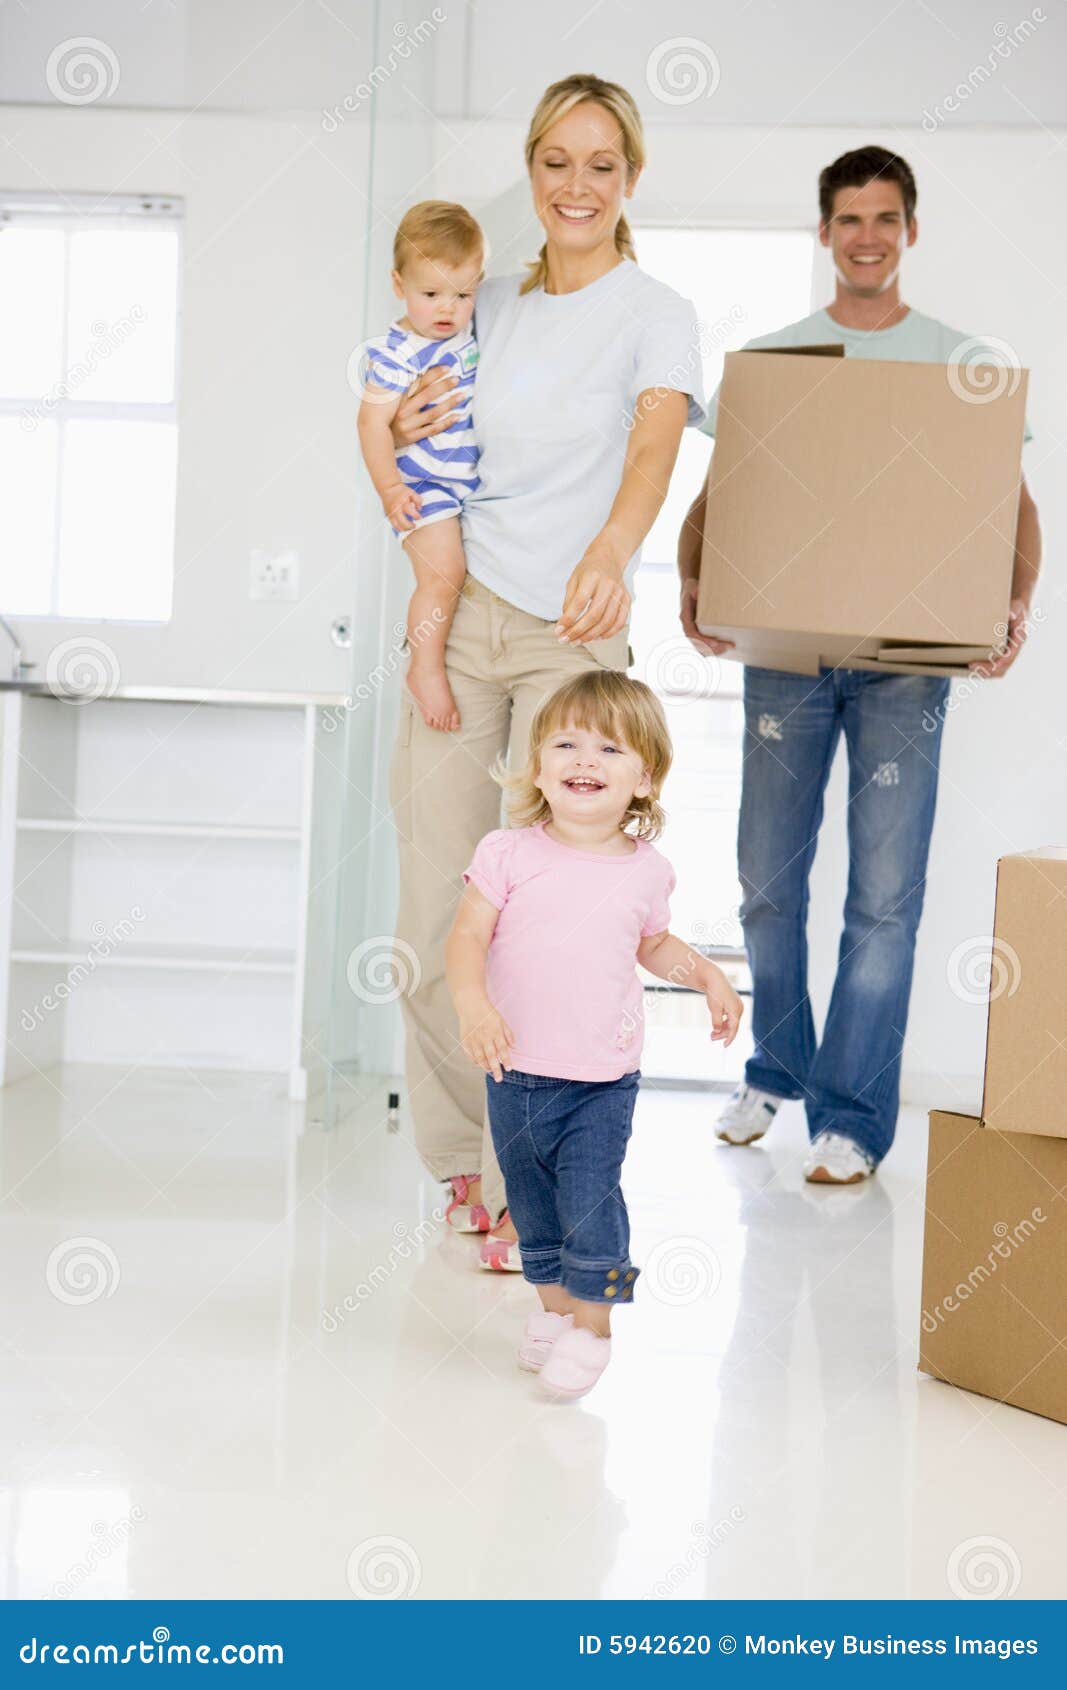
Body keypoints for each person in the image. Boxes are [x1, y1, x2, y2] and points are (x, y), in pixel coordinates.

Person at [388, 74, 707, 1266]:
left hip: (572, 626)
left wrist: (612, 552)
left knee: (550, 922)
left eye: (600, 164)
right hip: (464, 614)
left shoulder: (654, 311)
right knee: (435, 910)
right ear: (530, 171)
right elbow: (410, 418)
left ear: (630, 177)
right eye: (556, 162)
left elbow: (653, 443)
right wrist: (402, 423)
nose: (577, 185)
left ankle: (530, 1174)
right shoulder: (490, 305)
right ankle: (462, 1164)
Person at [678, 146, 1042, 1186]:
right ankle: (775, 1070)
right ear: (824, 232)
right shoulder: (774, 359)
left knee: (882, 901)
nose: (866, 237)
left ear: (909, 231)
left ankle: (850, 1119)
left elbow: (1007, 503)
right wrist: (692, 582)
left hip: (902, 668)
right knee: (764, 885)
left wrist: (1011, 604)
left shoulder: (957, 361)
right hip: (785, 656)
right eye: (849, 219)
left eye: (885, 219)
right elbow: (722, 496)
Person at [445, 671, 743, 1397]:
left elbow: (653, 945)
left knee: (590, 1201)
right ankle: (555, 1314)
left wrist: (706, 974)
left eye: (609, 749)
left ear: (645, 780)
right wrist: (473, 1005)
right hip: (514, 1073)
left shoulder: (646, 871)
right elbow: (466, 938)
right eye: (567, 744)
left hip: (600, 1083)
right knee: (533, 1210)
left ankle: (594, 1329)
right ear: (538, 765)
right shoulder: (506, 853)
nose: (585, 759)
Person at [357, 201, 484, 732]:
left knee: (458, 576)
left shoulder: (465, 332)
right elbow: (371, 424)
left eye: (462, 294)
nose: (447, 308)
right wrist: (391, 490)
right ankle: (424, 668)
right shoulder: (396, 354)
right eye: (430, 294)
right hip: (422, 485)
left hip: (464, 485)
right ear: (399, 284)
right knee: (443, 575)